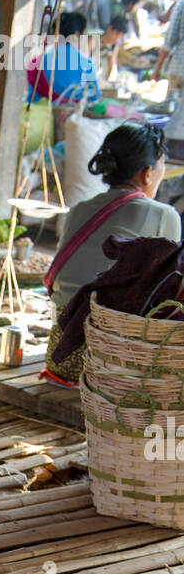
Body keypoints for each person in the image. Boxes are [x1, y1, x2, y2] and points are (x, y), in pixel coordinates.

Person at [46, 123, 180, 381]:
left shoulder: (80, 210)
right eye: (162, 165)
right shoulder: (164, 215)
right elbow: (169, 296)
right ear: (148, 173)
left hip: (61, 354)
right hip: (109, 364)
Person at [26, 12, 101, 105]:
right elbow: (94, 97)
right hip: (70, 116)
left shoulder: (35, 63)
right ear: (77, 34)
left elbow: (31, 97)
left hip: (38, 115)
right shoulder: (86, 63)